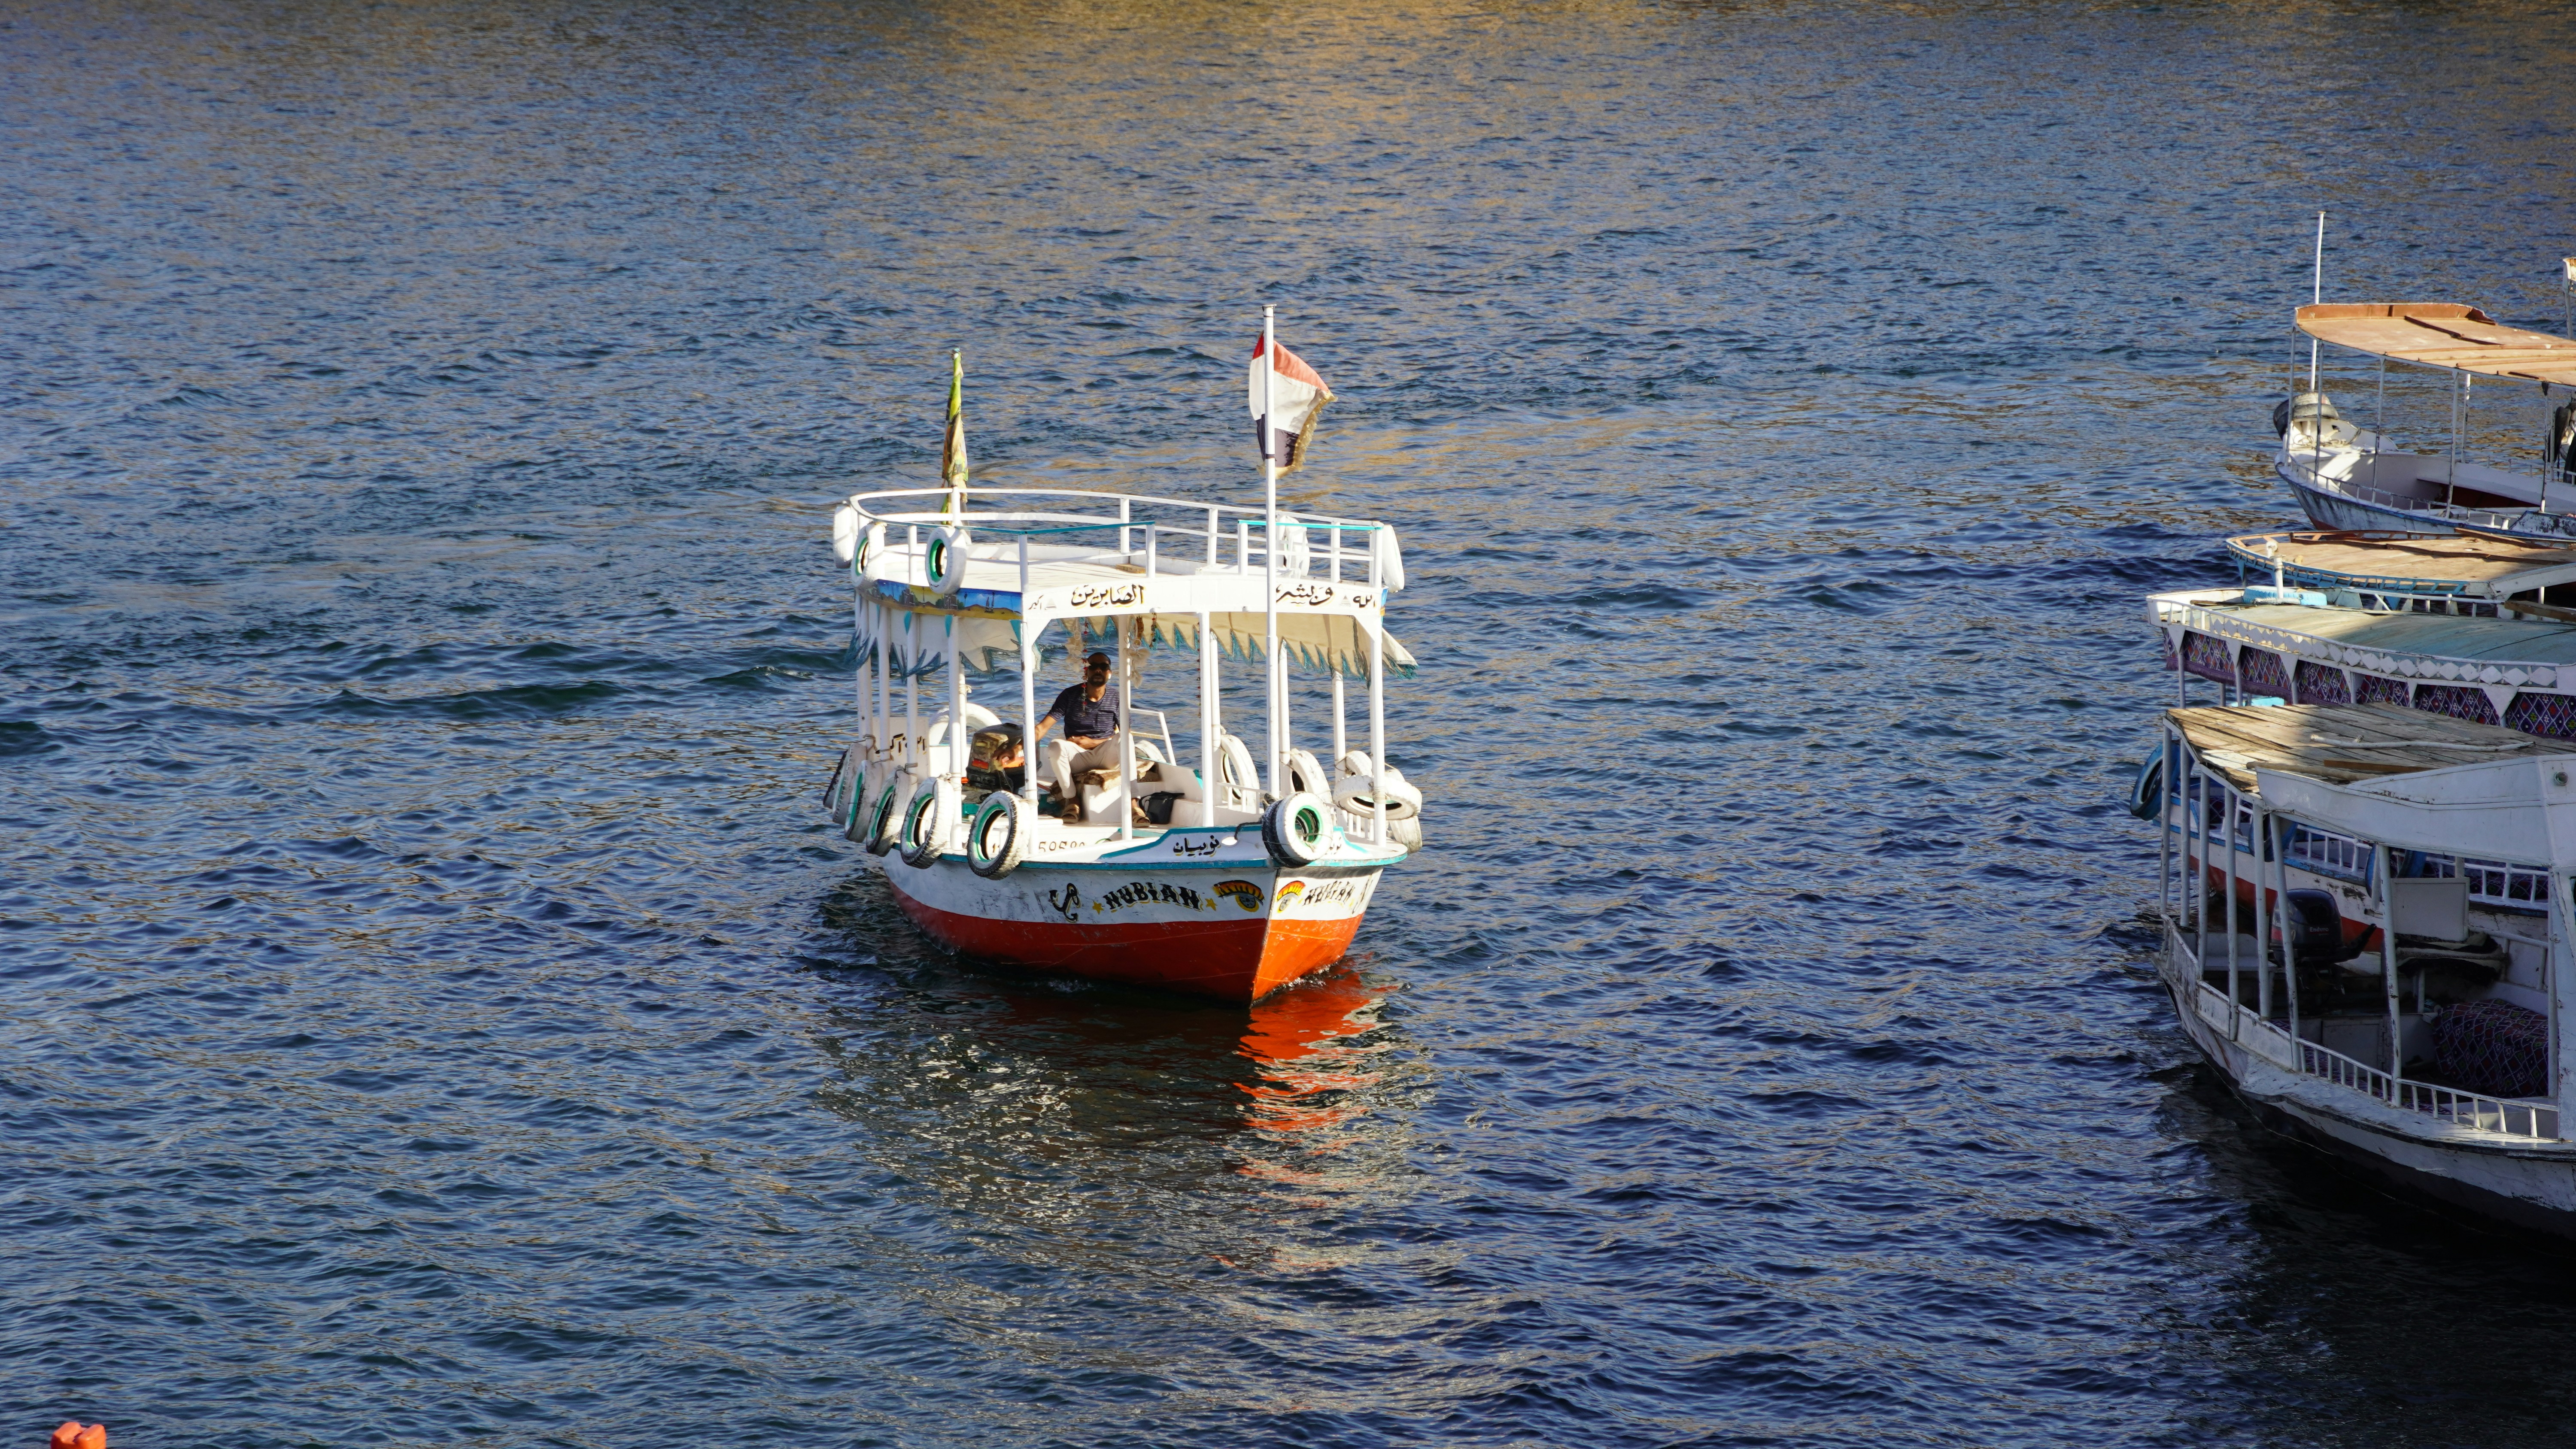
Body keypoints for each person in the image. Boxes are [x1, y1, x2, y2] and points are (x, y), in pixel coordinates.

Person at [1036, 651, 1121, 813]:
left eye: (1103, 667)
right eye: (1093, 667)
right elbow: (1042, 728)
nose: (1098, 671)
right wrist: (1018, 747)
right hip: (1077, 757)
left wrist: (1094, 743)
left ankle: (1133, 804)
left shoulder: (1117, 697)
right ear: (1086, 672)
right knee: (1055, 746)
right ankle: (1072, 800)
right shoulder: (1070, 695)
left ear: (1109, 673)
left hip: (1105, 756)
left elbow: (1126, 734)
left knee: (1127, 740)